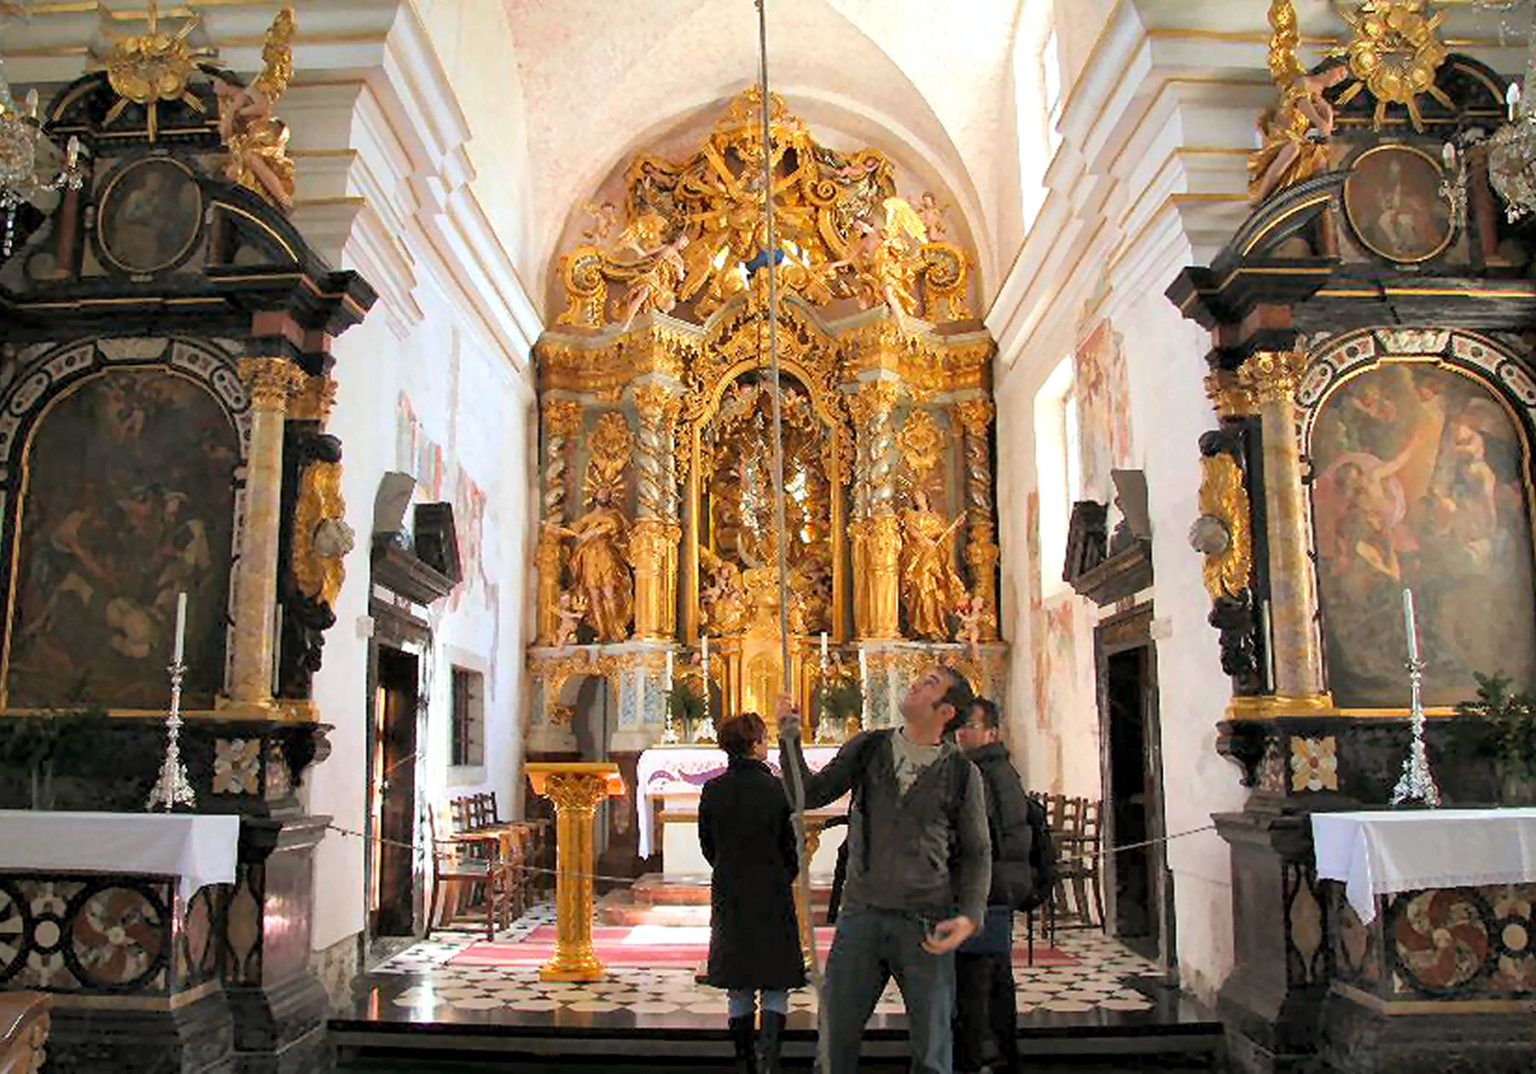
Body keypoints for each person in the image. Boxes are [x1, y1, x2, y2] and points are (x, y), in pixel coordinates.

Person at [778, 664, 990, 1074]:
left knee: (932, 1051)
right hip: (862, 916)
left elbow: (978, 851)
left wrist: (970, 914)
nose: (914, 682)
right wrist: (789, 734)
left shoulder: (963, 774)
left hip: (925, 920)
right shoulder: (870, 748)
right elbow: (806, 794)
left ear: (946, 712)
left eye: (929, 683)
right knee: (834, 1043)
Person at [699, 712, 805, 1074]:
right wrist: (783, 873)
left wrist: (730, 868)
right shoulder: (777, 789)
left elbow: (708, 845)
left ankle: (744, 1061)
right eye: (763, 739)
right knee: (775, 982)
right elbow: (790, 846)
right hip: (772, 890)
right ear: (756, 744)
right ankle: (769, 1063)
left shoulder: (713, 790)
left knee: (739, 984)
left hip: (731, 892)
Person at [949, 699, 1035, 1074]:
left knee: (975, 989)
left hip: (984, 892)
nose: (961, 732)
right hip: (997, 890)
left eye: (969, 725)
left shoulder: (981, 774)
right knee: (995, 981)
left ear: (991, 733)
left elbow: (980, 840)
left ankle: (978, 1059)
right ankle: (1001, 1057)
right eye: (960, 725)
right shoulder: (1000, 769)